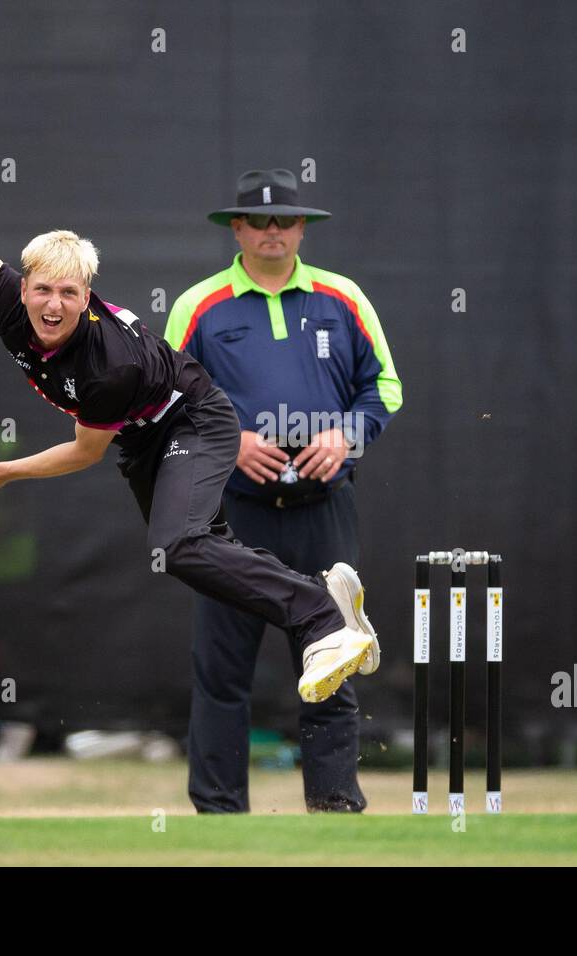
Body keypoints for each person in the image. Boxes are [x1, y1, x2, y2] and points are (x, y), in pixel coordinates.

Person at [0, 81, 380, 707]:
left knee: (180, 544)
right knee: (193, 553)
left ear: (87, 296)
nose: (53, 304)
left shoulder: (103, 371)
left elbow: (85, 453)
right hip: (149, 438)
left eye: (69, 293)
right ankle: (321, 603)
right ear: (23, 285)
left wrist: (7, 471)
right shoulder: (4, 294)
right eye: (43, 290)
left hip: (195, 421)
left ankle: (319, 619)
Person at [165, 169, 403, 812]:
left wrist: (346, 435)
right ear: (236, 228)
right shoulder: (199, 305)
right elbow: (161, 403)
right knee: (221, 672)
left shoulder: (342, 297)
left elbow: (383, 389)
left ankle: (334, 806)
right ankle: (219, 818)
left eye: (286, 220)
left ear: (303, 227)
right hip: (231, 516)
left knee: (335, 658)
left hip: (323, 512)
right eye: (260, 221)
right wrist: (230, 443)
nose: (274, 231)